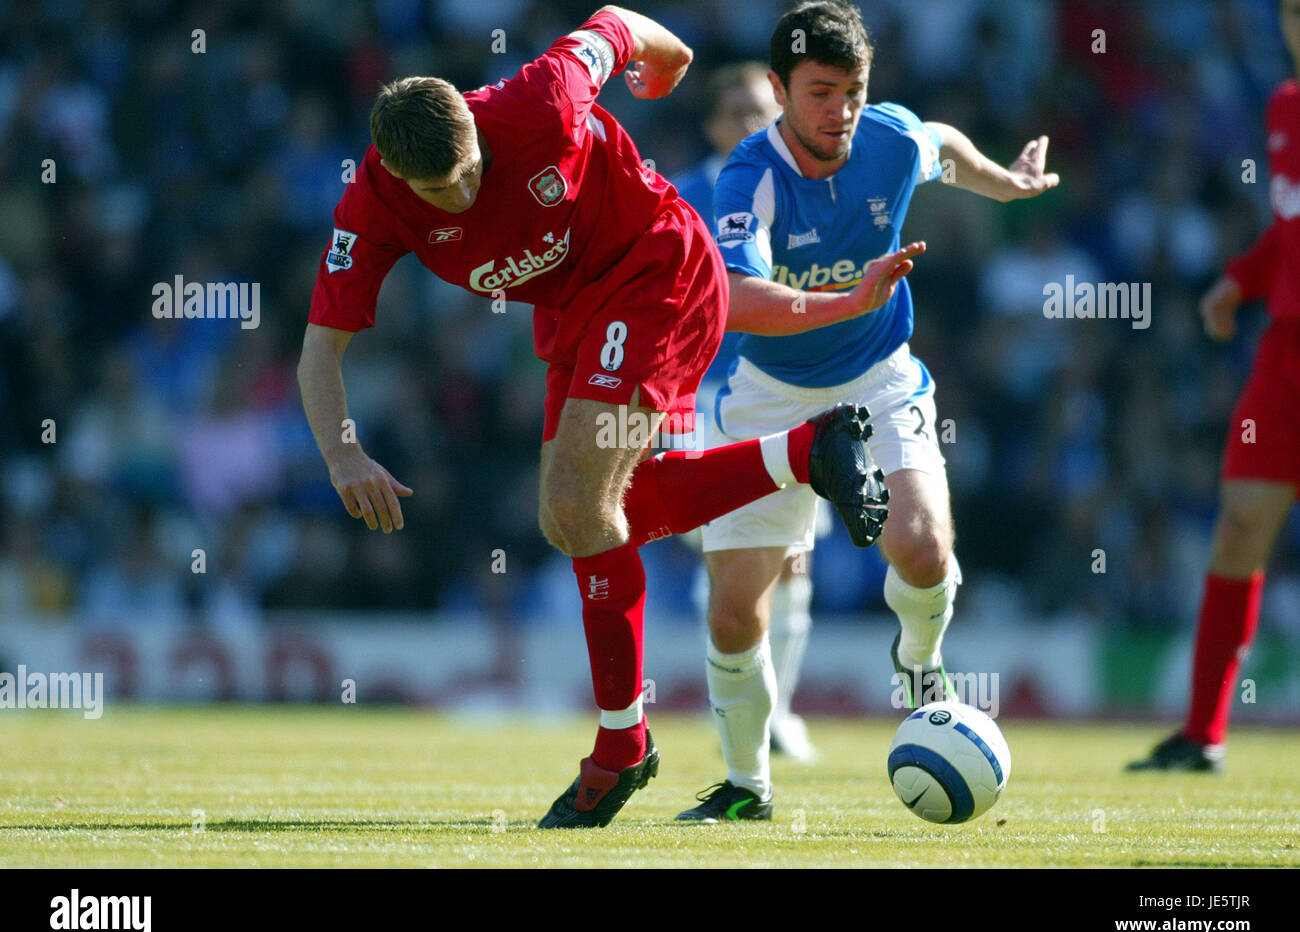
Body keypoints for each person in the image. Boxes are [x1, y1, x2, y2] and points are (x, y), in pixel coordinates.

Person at [300, 5, 918, 828]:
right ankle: (802, 455)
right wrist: (342, 453)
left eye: (468, 170)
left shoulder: (538, 99)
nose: (462, 192)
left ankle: (621, 746)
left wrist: (670, 61)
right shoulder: (373, 202)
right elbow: (319, 352)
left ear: (473, 124)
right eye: (438, 191)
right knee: (570, 515)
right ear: (393, 173)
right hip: (576, 315)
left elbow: (617, 21)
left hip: (658, 265)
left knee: (581, 501)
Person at [675, 0, 1059, 824]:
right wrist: (851, 296)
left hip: (879, 375)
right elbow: (738, 299)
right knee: (738, 603)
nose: (839, 111)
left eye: (852, 90)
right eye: (819, 92)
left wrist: (1008, 183)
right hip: (768, 394)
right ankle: (748, 786)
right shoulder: (749, 176)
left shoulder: (886, 137)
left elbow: (944, 146)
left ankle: (920, 662)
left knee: (921, 548)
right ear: (778, 89)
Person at [1128, 0, 1300, 774]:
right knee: (1237, 528)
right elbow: (1288, 229)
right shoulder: (1285, 106)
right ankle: (1203, 733)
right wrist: (1241, 279)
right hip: (1285, 353)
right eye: (1293, 12)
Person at [674, 64, 823, 763]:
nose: (747, 124)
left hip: (782, 396)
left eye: (760, 112)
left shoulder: (801, 193)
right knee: (730, 561)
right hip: (698, 403)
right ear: (710, 123)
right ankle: (740, 711)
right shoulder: (675, 200)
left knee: (791, 557)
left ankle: (777, 713)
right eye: (734, 111)